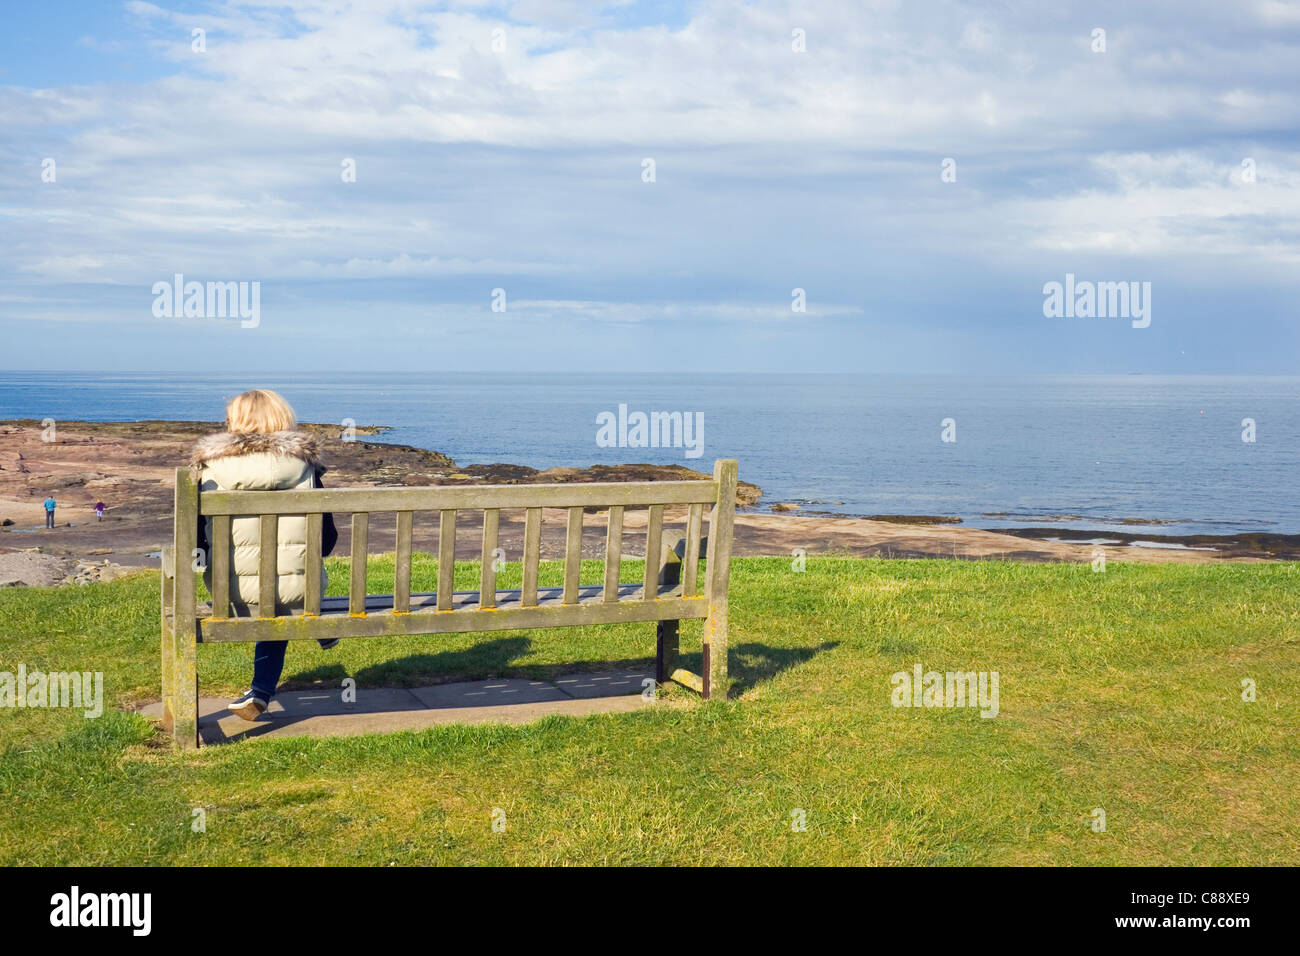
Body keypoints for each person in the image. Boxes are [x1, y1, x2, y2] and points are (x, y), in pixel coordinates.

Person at [191, 389, 339, 721]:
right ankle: (313, 630)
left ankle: (262, 690)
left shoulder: (211, 470)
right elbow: (327, 542)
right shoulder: (306, 470)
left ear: (236, 424)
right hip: (301, 591)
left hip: (229, 596)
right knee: (285, 595)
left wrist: (198, 565)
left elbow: (196, 545)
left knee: (269, 599)